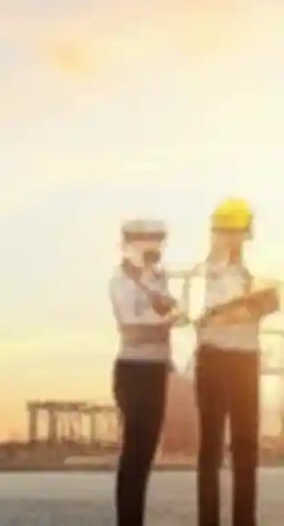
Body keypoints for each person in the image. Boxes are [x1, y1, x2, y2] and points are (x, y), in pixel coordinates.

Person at [195, 197, 264, 526]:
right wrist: (239, 312)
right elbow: (210, 318)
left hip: (246, 361)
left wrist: (234, 313)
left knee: (247, 448)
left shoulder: (253, 270)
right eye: (228, 232)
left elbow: (265, 303)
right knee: (211, 448)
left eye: (239, 232)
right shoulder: (205, 274)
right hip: (214, 360)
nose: (235, 238)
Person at [109, 218, 180, 526]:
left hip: (155, 371)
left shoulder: (158, 280)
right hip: (134, 371)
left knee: (147, 454)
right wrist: (169, 324)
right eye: (149, 242)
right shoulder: (121, 281)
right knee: (134, 455)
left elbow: (162, 320)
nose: (156, 250)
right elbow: (133, 331)